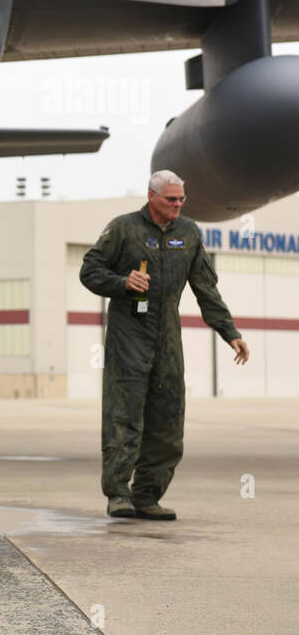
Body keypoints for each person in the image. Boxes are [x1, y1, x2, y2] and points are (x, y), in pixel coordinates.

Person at [80, 170, 248, 521]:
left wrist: (230, 332)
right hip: (129, 337)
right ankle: (118, 495)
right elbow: (90, 270)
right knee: (124, 417)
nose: (178, 205)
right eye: (171, 199)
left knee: (168, 420)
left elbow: (206, 288)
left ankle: (147, 496)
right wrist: (122, 282)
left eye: (181, 199)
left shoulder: (188, 233)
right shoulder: (123, 229)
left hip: (168, 339)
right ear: (151, 196)